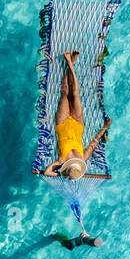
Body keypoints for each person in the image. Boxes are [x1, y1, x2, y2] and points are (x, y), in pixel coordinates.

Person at [42, 51, 93, 180]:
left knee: (65, 93)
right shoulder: (82, 158)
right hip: (77, 123)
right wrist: (104, 128)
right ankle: (71, 63)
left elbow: (47, 172)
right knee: (75, 93)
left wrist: (61, 172)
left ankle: (70, 64)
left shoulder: (60, 161)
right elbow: (93, 145)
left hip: (62, 123)